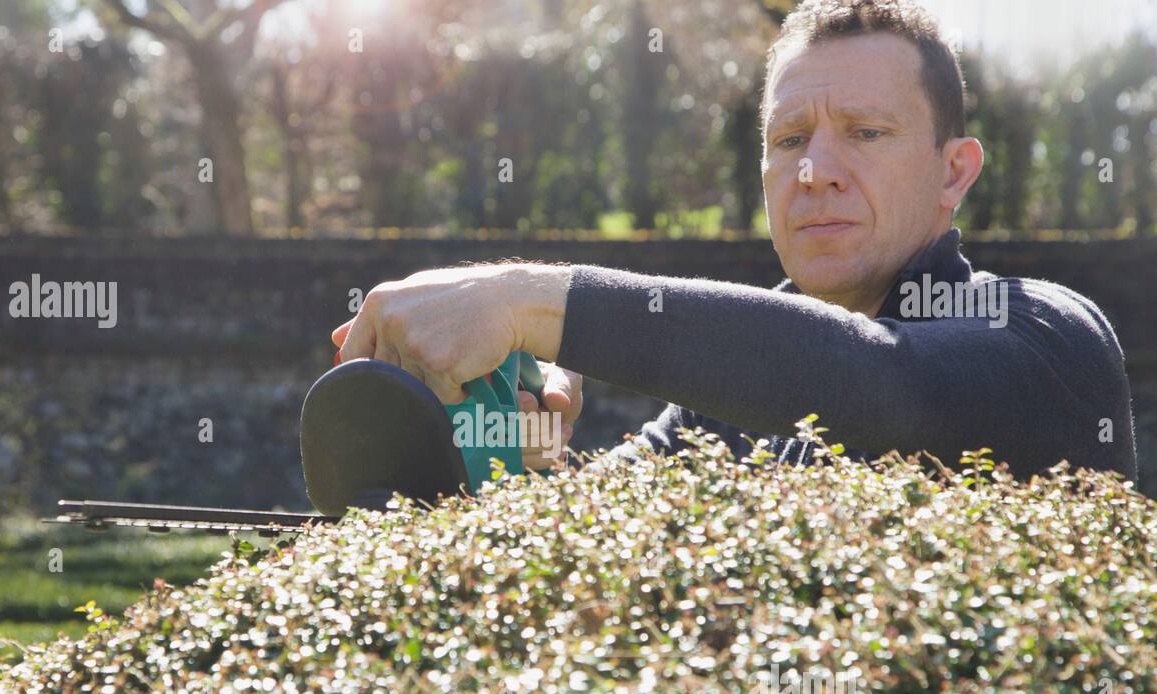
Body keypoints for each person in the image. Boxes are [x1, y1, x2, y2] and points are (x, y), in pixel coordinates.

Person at [332, 0, 1138, 484]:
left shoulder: (1047, 338)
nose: (815, 171)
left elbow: (878, 380)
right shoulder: (728, 398)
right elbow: (595, 529)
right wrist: (511, 448)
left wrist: (524, 301)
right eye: (788, 141)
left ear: (953, 171)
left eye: (865, 132)